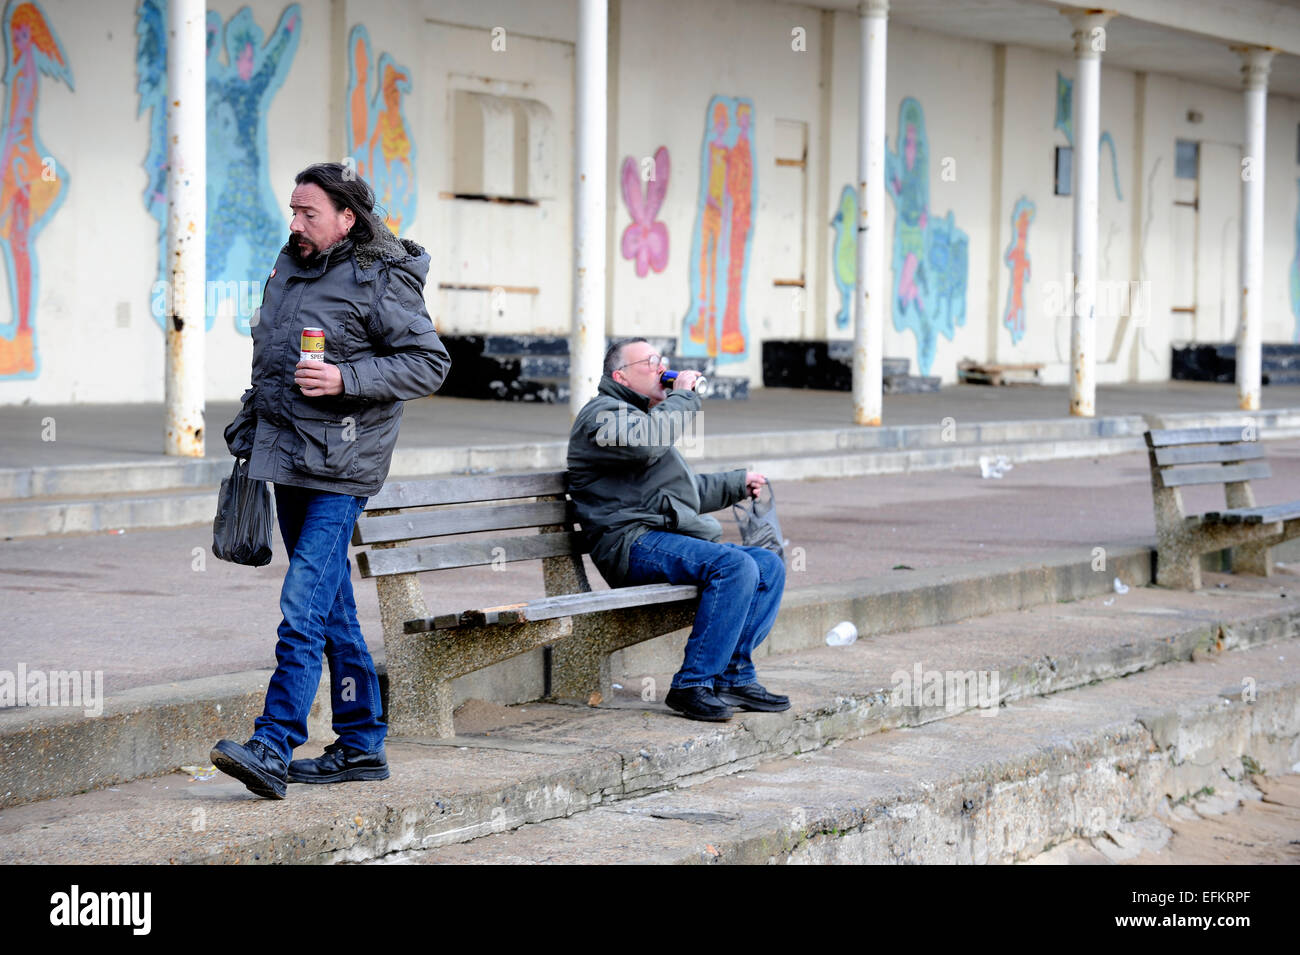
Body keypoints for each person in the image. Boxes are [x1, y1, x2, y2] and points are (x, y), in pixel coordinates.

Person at [210, 163, 450, 798]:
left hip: (343, 467)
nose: (295, 222)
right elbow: (274, 358)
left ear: (347, 218)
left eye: (307, 213)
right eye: (292, 210)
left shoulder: (381, 276)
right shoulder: (290, 266)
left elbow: (428, 363)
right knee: (332, 607)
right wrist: (252, 421)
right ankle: (362, 743)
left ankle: (273, 743)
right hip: (287, 456)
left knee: (301, 605)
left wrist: (346, 378)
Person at [566, 338, 788, 722]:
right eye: (650, 361)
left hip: (659, 538)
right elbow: (646, 445)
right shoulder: (602, 416)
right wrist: (683, 397)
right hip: (630, 544)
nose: (661, 367)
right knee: (734, 567)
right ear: (620, 376)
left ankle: (733, 676)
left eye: (661, 359)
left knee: (768, 565)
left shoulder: (641, 416)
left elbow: (680, 493)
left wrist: (736, 483)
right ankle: (691, 684)